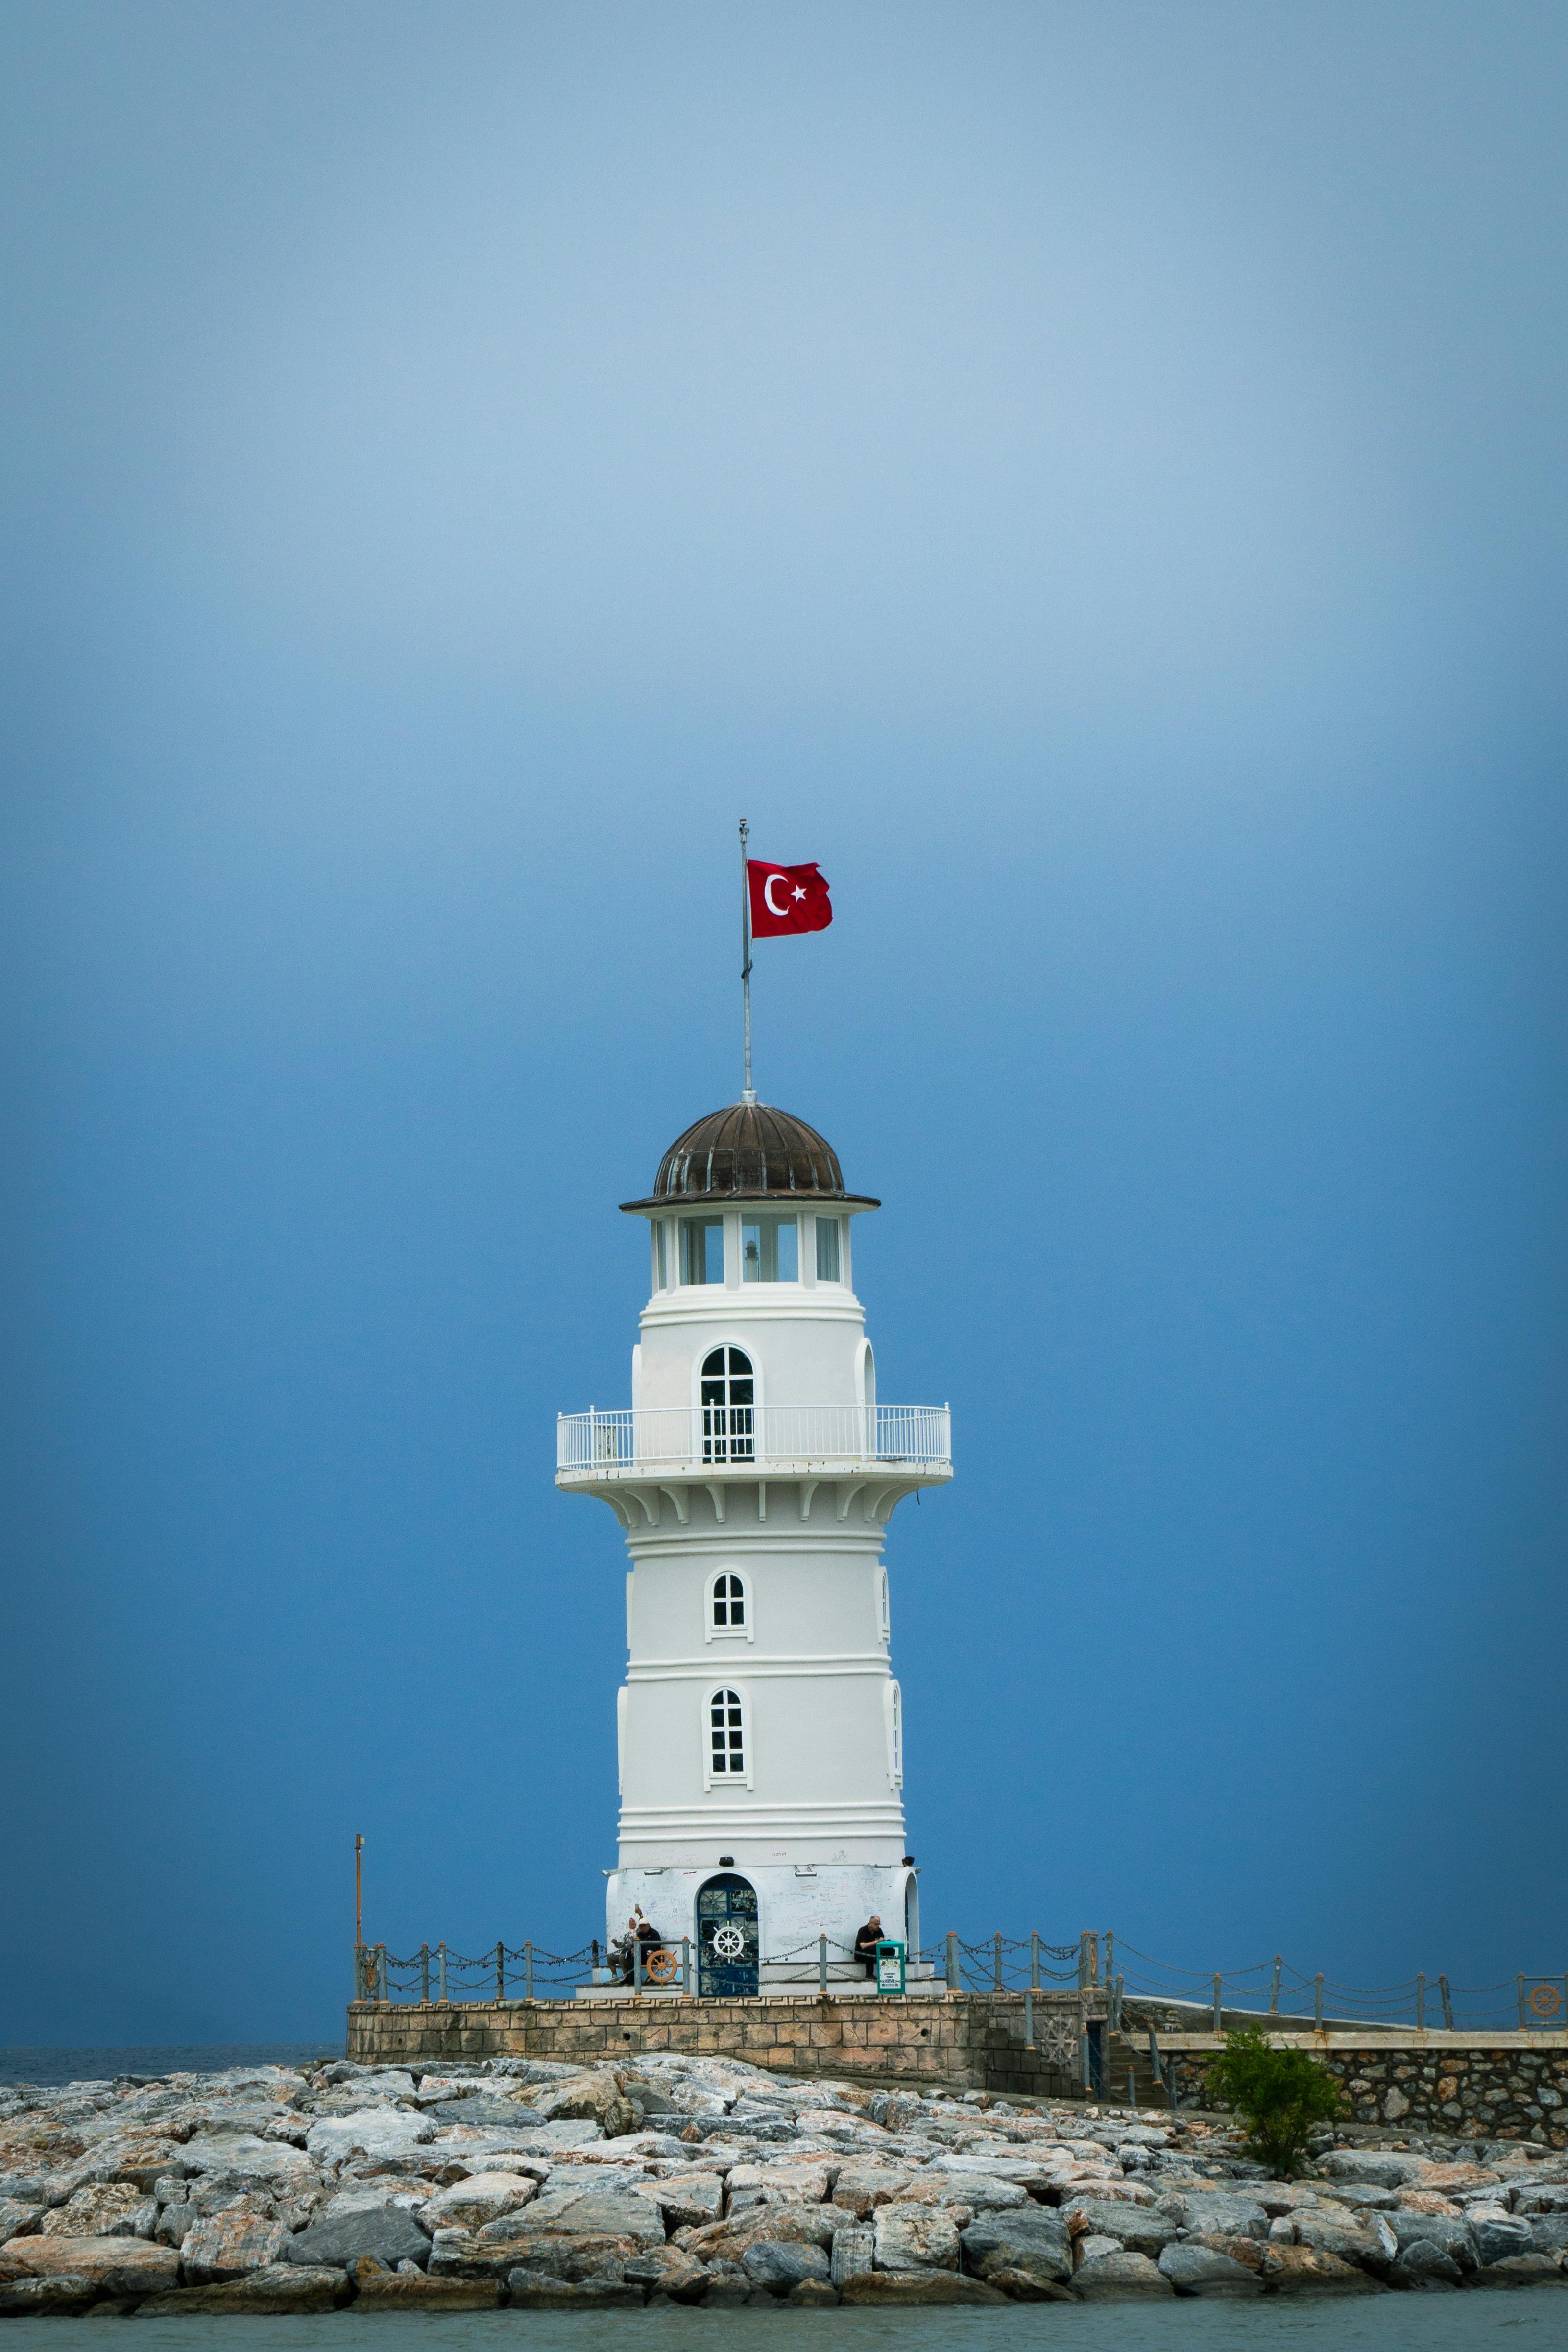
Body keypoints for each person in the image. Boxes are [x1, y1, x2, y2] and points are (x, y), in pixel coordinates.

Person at [853, 1914, 884, 1978]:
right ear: (871, 1923)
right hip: (862, 1954)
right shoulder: (863, 1930)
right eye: (876, 1924)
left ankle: (888, 1971)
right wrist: (877, 1942)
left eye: (879, 1924)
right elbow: (863, 1946)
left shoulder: (879, 1931)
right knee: (870, 1950)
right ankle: (869, 1974)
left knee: (890, 1950)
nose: (878, 1926)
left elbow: (882, 1942)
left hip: (875, 1953)